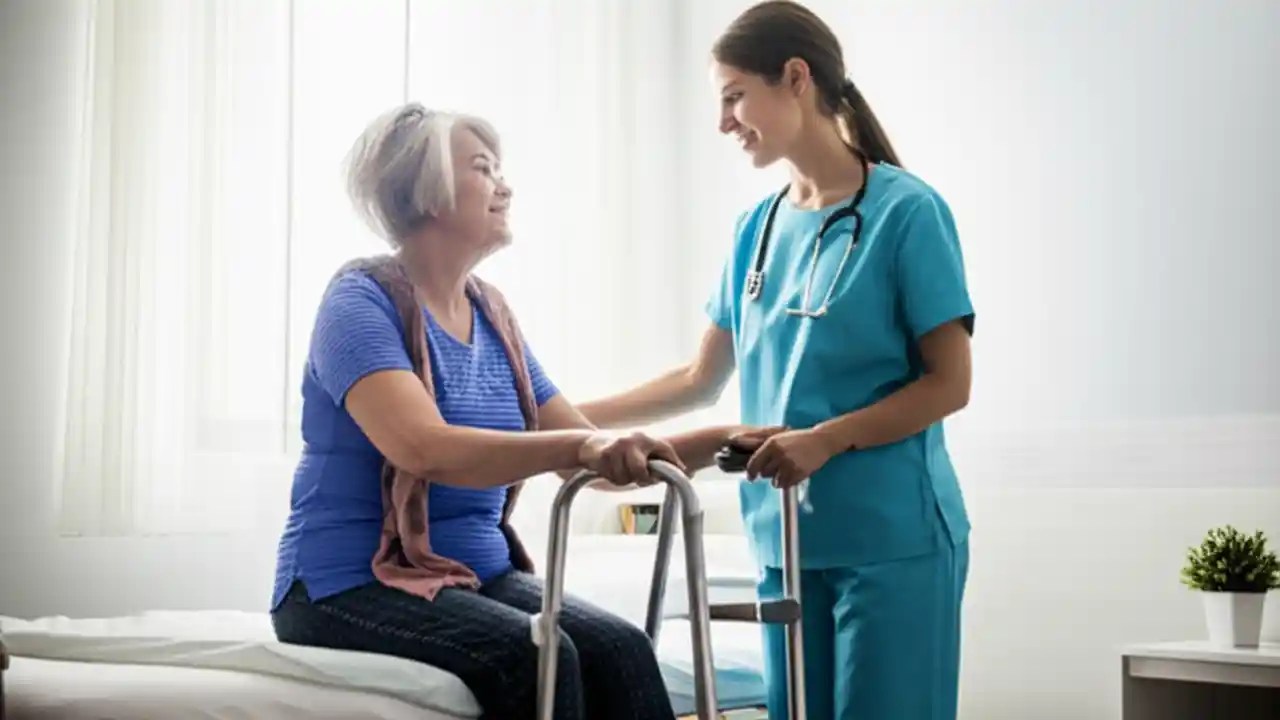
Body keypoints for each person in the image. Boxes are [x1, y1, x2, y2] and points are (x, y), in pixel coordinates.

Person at [269, 103, 753, 720]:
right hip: (348, 583)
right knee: (538, 656)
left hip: (476, 575)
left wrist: (728, 438)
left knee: (622, 648)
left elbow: (600, 463)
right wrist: (582, 448)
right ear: (428, 190)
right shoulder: (358, 302)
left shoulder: (493, 316)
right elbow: (425, 448)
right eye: (483, 168)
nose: (506, 185)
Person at [579, 2, 975, 719]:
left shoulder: (907, 213)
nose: (723, 120)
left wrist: (827, 439)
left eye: (733, 95)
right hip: (785, 543)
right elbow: (700, 378)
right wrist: (561, 416)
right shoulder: (756, 228)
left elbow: (950, 384)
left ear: (795, 78)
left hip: (892, 542)